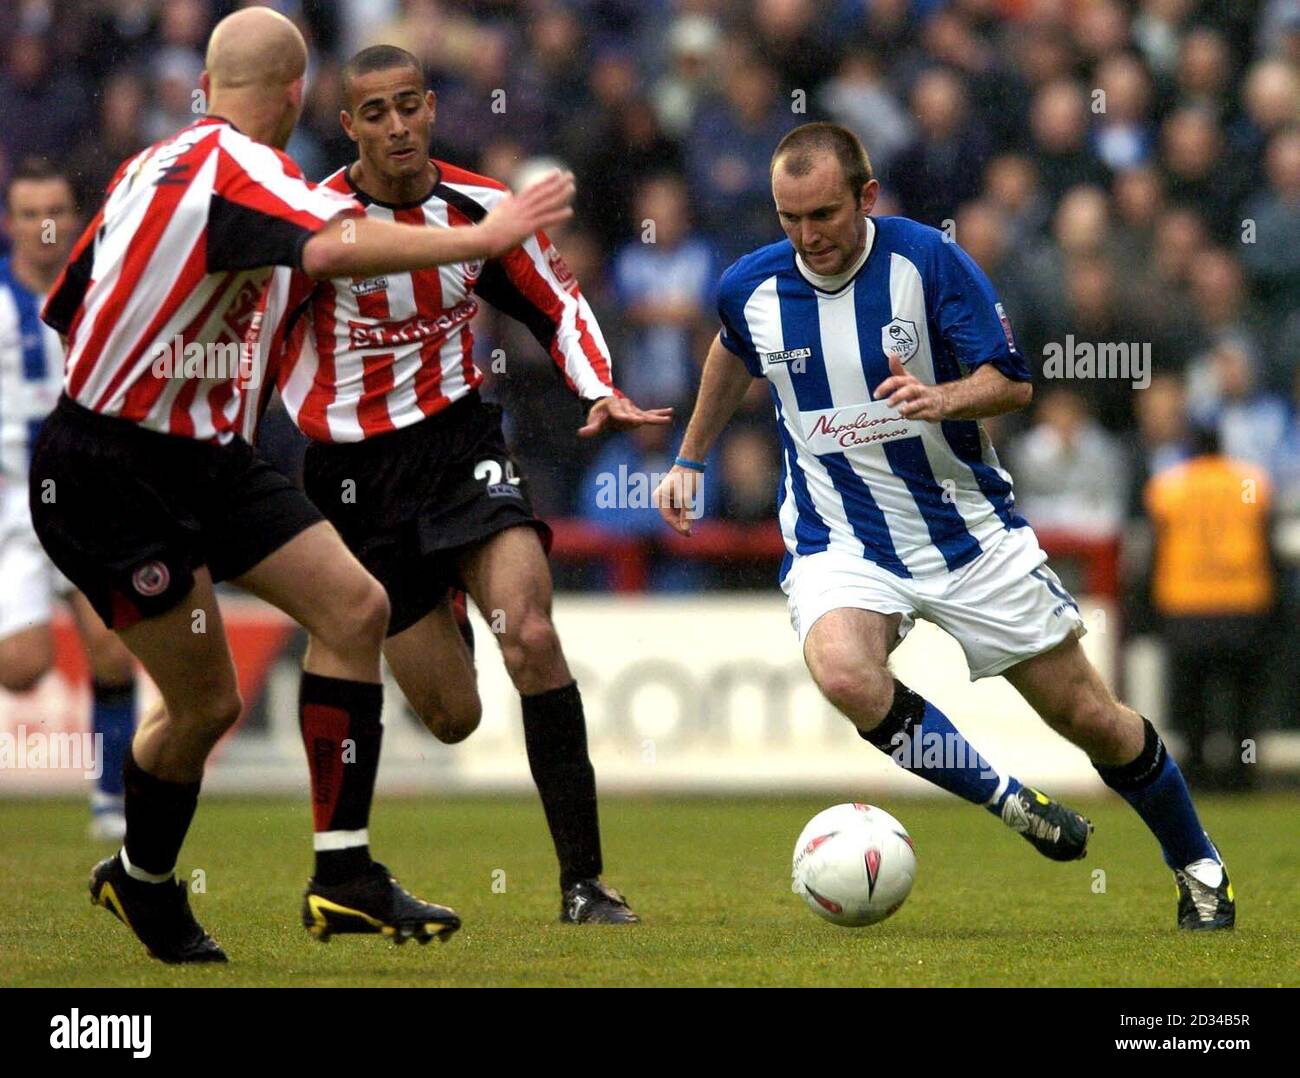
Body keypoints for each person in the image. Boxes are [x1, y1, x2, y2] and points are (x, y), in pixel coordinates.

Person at [30, 7, 575, 963]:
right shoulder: (247, 171)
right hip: (114, 471)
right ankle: (142, 878)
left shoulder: (142, 168)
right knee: (205, 706)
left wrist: (178, 365)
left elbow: (67, 307)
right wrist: (484, 238)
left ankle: (344, 876)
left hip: (202, 458)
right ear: (296, 95)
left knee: (355, 606)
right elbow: (337, 246)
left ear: (208, 83)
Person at [655, 122, 1235, 931]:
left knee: (1090, 719)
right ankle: (1009, 802)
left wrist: (943, 398)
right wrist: (689, 456)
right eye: (788, 218)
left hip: (965, 532)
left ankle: (1199, 866)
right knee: (846, 674)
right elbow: (731, 350)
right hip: (841, 537)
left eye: (822, 214)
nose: (806, 236)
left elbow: (1013, 382)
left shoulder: (926, 261)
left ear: (866, 197)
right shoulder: (749, 286)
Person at [262, 45, 670, 924]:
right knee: (452, 716)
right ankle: (445, 605)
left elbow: (555, 301)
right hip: (352, 478)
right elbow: (256, 345)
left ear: (432, 108)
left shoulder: (479, 208)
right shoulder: (313, 225)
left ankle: (584, 885)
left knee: (529, 632)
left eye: (411, 105)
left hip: (461, 450)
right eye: (376, 112)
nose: (398, 125)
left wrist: (599, 388)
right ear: (348, 125)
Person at [0, 158, 136, 841]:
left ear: (74, 218)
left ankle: (114, 802)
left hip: (91, 501)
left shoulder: (107, 292)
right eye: (28, 213)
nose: (42, 225)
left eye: (54, 210)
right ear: (9, 223)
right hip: (13, 514)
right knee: (22, 669)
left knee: (113, 653)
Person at [1144, 424, 1276, 790]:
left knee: (1191, 702)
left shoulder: (1169, 486)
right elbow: (1269, 549)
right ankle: (1242, 773)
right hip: (1243, 604)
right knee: (1243, 701)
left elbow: (1155, 553)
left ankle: (1198, 774)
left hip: (1186, 605)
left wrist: (1150, 611)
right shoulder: (1251, 482)